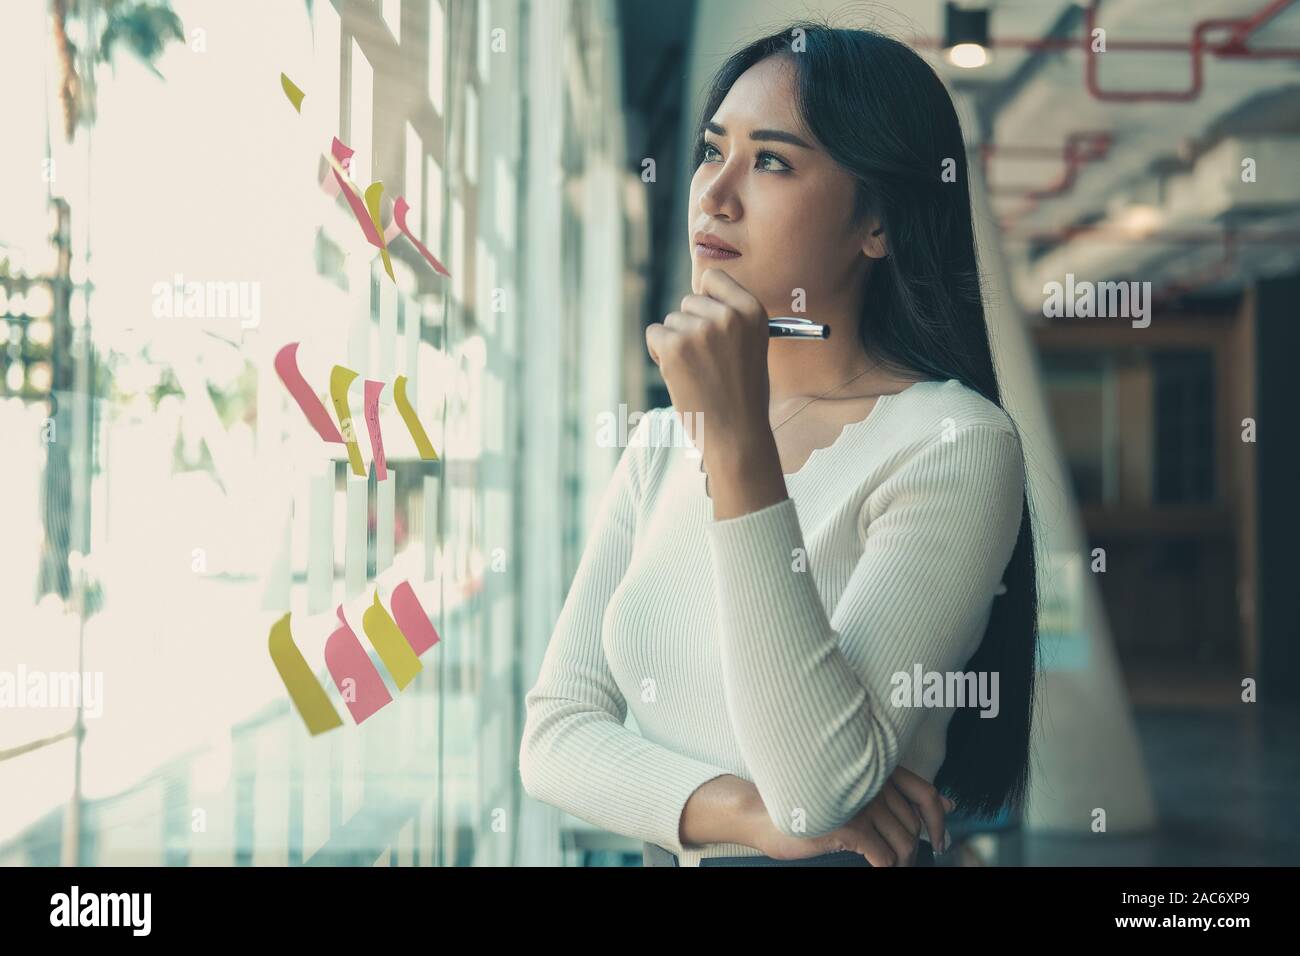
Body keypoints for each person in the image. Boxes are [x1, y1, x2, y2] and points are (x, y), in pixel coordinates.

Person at [519, 20, 1040, 868]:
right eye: (711, 150)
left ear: (877, 221)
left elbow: (818, 787)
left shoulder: (953, 443)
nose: (714, 194)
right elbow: (553, 737)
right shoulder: (658, 441)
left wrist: (736, 448)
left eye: (770, 161)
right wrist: (749, 818)